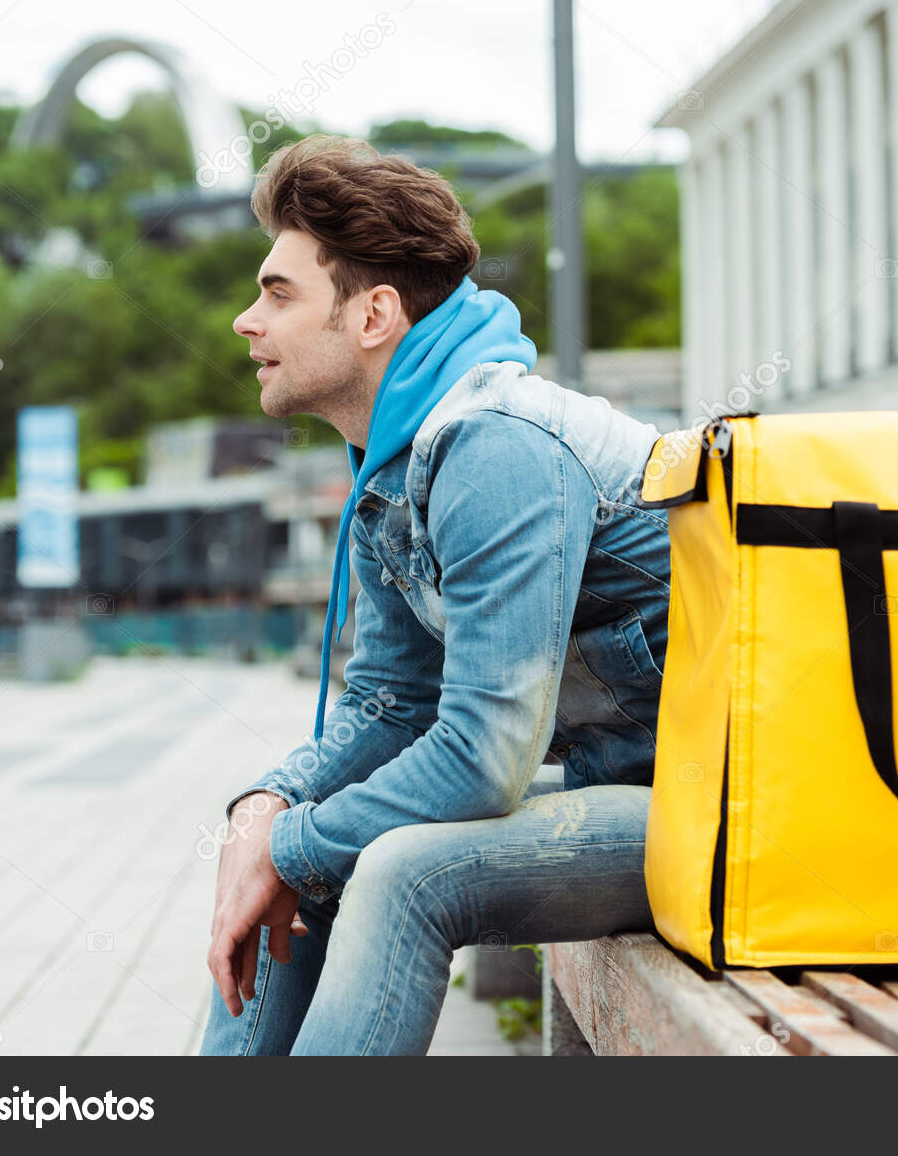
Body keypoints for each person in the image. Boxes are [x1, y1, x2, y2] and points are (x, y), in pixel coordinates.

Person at [200, 135, 669, 1055]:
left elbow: (484, 755)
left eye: (277, 292)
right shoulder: (397, 464)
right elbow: (391, 705)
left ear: (373, 315)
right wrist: (266, 806)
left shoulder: (496, 446)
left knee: (395, 867)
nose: (244, 321)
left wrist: (289, 849)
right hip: (619, 795)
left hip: (721, 811)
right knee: (309, 844)